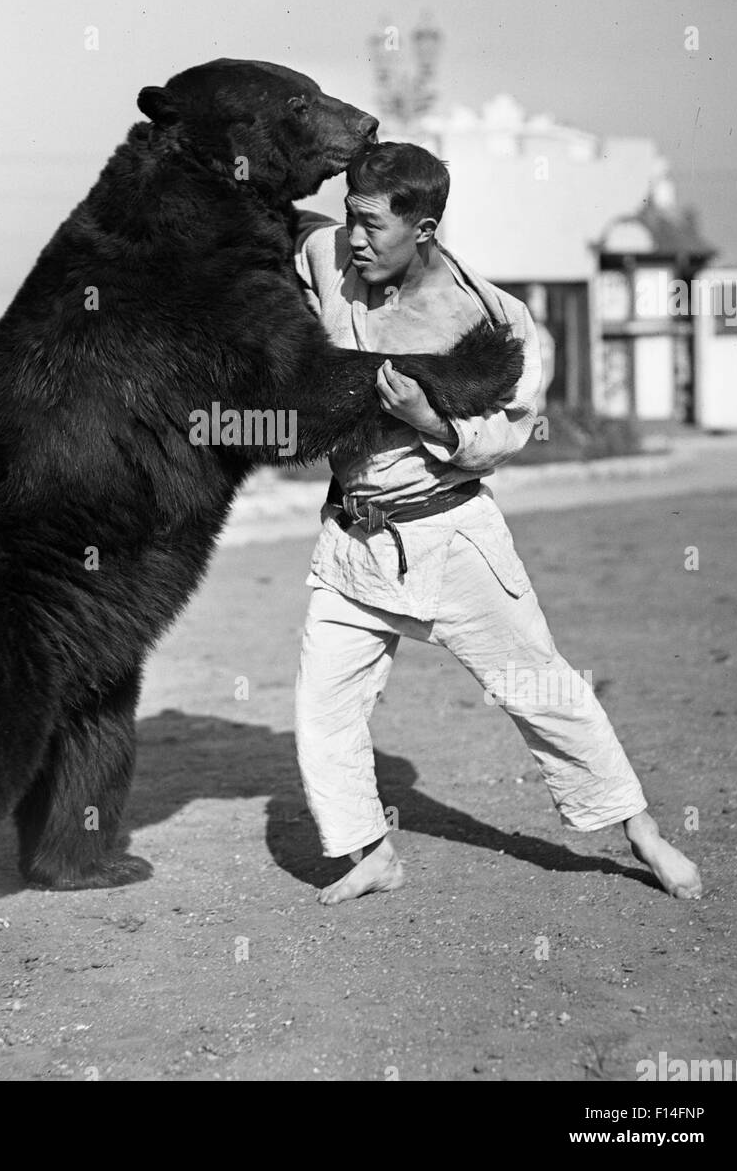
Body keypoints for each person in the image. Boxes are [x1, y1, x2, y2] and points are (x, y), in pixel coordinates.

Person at [292, 141, 702, 905]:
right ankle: (368, 850)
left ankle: (640, 831)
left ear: (425, 228)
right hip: (350, 537)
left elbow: (502, 441)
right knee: (322, 707)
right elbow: (270, 248)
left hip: (448, 537)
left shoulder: (492, 320)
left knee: (538, 687)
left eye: (373, 225)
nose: (355, 239)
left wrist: (429, 419)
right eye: (350, 217)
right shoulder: (325, 256)